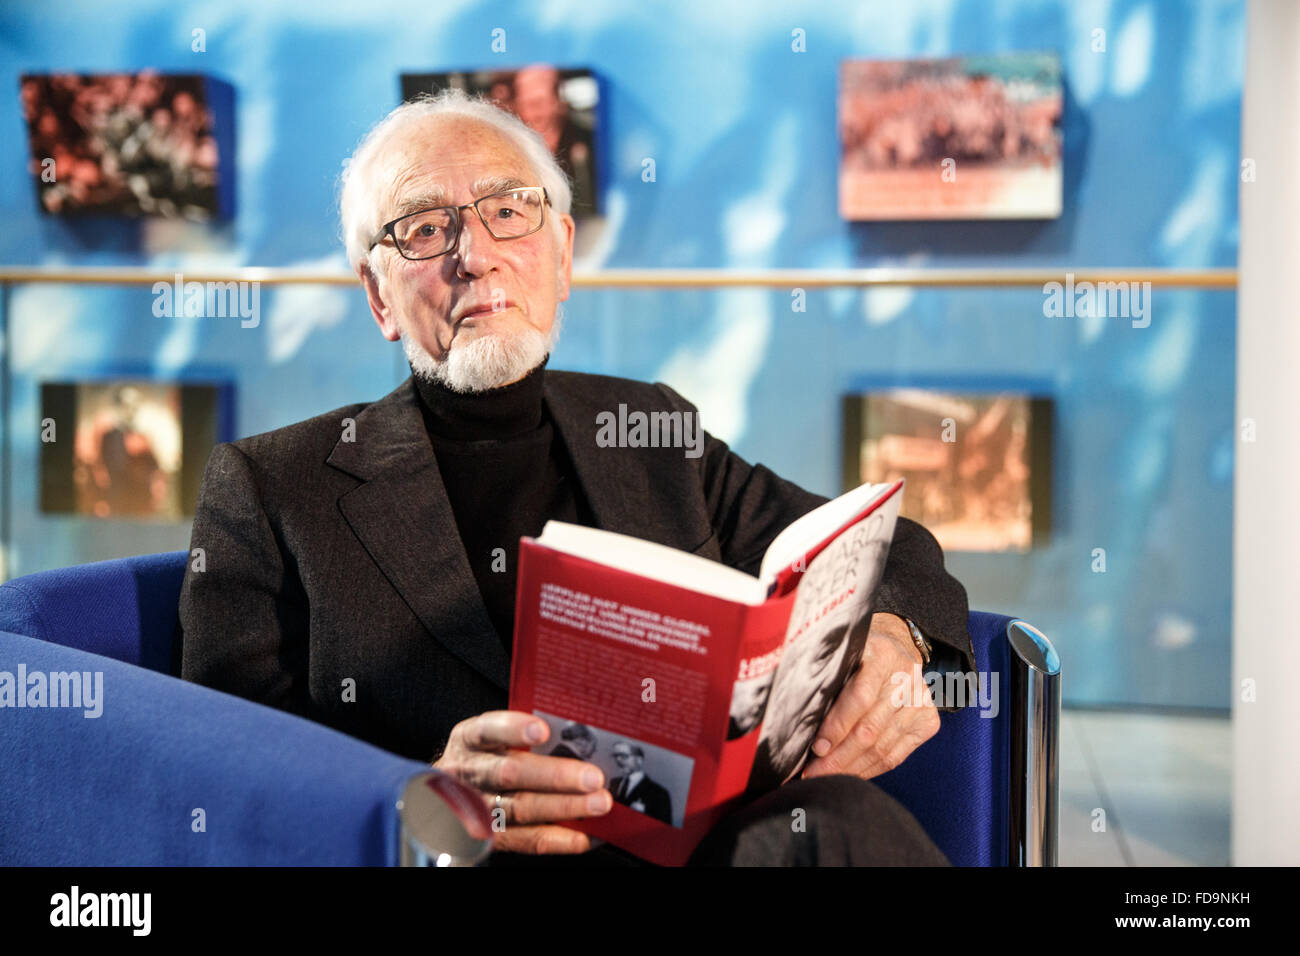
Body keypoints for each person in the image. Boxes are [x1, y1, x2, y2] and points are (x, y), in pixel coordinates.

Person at [179, 89, 974, 864]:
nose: (475, 253)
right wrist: (423, 795)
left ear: (560, 254)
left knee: (838, 820)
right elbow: (219, 772)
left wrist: (896, 636)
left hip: (689, 852)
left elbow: (889, 547)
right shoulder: (270, 487)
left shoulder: (650, 430)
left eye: (507, 210)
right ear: (379, 295)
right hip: (452, 859)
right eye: (424, 228)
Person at [608, 743, 673, 826]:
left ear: (639, 760)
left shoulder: (659, 793)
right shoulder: (614, 783)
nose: (618, 760)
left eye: (623, 756)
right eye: (615, 756)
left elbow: (664, 830)